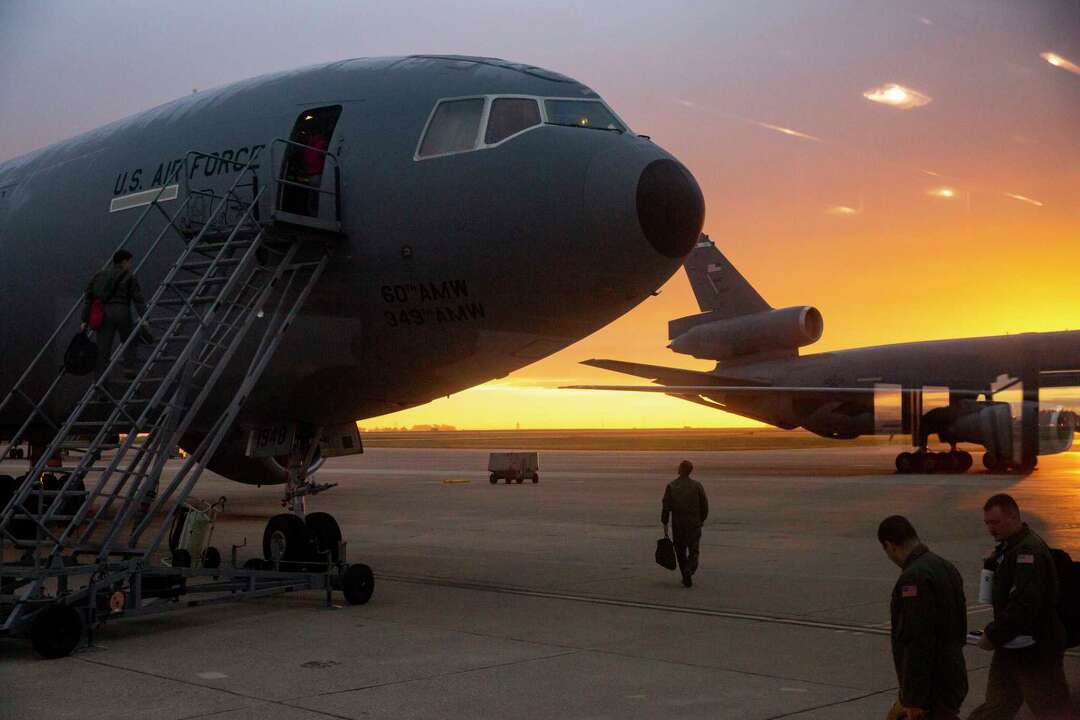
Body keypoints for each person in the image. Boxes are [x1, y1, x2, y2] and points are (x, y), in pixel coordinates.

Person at [968, 494, 1072, 719]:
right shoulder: (1009, 547)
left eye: (995, 522)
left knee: (1051, 708)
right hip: (1011, 643)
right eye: (987, 523)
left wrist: (993, 635)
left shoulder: (1028, 552)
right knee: (997, 707)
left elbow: (1025, 604)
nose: (990, 529)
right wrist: (991, 565)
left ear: (1013, 518)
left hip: (1034, 646)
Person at [878, 515, 968, 720]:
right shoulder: (945, 566)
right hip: (952, 674)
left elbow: (918, 641)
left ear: (890, 546)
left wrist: (913, 698)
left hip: (932, 685)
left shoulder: (914, 577)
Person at [81, 249, 146, 382]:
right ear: (124, 262)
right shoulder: (129, 276)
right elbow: (137, 299)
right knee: (130, 340)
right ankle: (129, 367)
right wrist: (145, 317)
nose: (130, 265)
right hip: (122, 311)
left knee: (102, 352)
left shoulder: (99, 275)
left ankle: (101, 387)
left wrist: (84, 319)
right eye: (129, 262)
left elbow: (89, 297)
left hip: (104, 314)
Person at [661, 460, 708, 587]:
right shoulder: (697, 486)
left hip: (678, 524)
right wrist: (701, 520)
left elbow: (666, 506)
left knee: (680, 552)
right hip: (693, 524)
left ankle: (685, 575)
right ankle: (689, 570)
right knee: (694, 551)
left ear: (680, 469)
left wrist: (665, 523)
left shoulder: (671, 486)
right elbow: (704, 505)